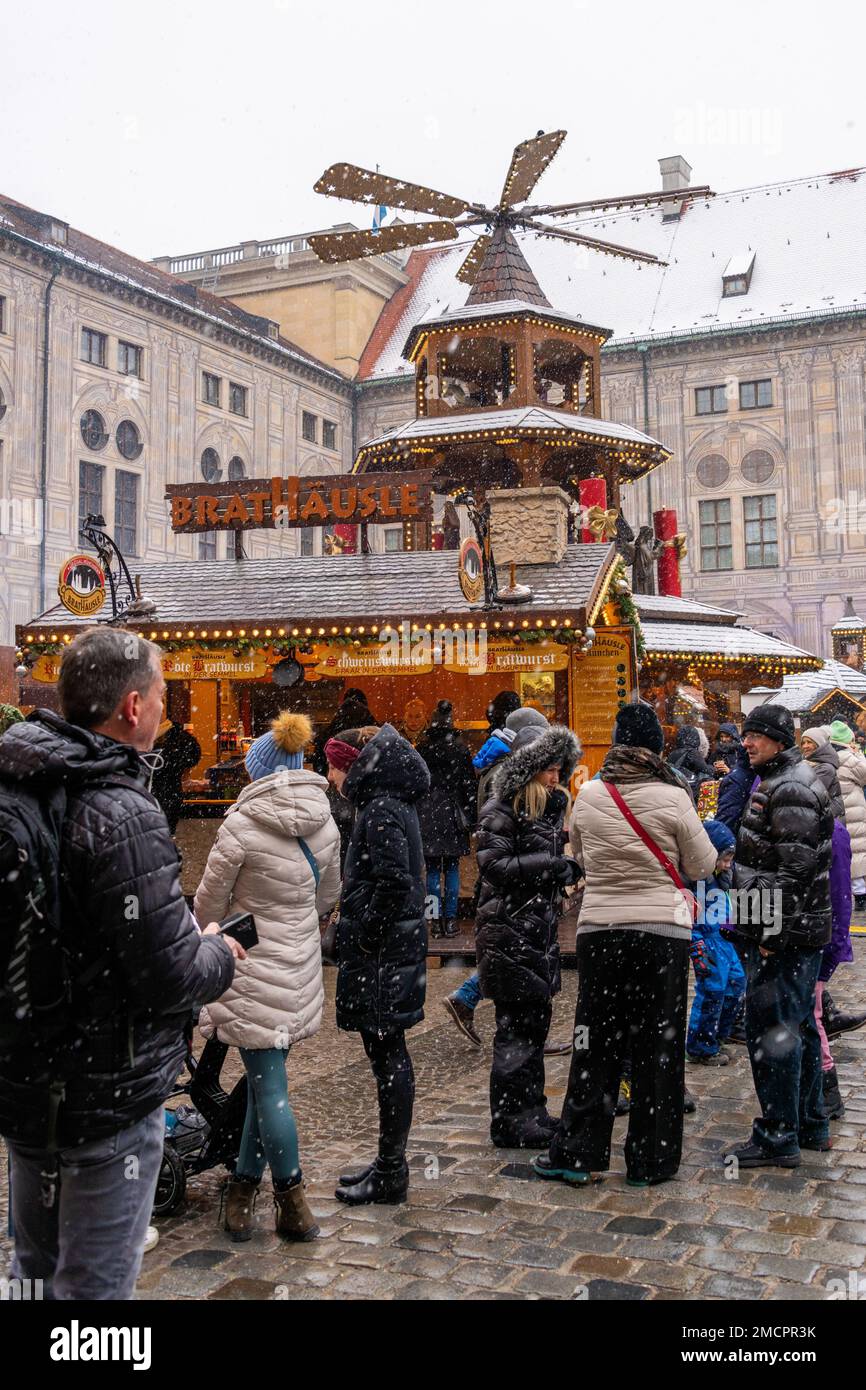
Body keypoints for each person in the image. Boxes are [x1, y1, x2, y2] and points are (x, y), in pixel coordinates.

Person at [0, 628, 240, 1300]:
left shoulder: (19, 786)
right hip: (104, 1096)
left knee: (35, 1274)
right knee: (96, 1293)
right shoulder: (121, 812)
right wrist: (216, 949)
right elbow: (170, 976)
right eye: (163, 695)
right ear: (132, 708)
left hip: (29, 1082)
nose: (167, 709)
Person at [534, 702, 718, 1187]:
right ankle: (650, 1161)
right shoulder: (675, 795)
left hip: (602, 932)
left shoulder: (590, 793)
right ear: (656, 746)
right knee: (658, 1045)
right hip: (662, 934)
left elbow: (580, 857)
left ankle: (577, 1154)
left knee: (594, 1043)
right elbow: (702, 865)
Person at [195, 711, 340, 1243]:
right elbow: (327, 897)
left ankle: (293, 1201)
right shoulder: (325, 820)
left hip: (250, 967)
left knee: (270, 1088)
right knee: (263, 1087)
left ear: (258, 771)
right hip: (298, 968)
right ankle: (241, 1188)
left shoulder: (240, 824)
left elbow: (208, 906)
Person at [724, 704, 833, 1169]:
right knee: (798, 1027)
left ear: (778, 739)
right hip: (792, 931)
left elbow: (794, 871)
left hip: (783, 935)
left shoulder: (788, 785)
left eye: (755, 736)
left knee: (774, 1033)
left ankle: (778, 1133)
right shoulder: (782, 779)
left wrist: (770, 931)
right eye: (746, 735)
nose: (746, 743)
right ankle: (808, 1123)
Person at [325, 724, 429, 1206]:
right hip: (389, 951)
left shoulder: (382, 805)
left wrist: (365, 930)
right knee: (386, 1055)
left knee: (389, 1056)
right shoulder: (386, 800)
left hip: (385, 955)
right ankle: (389, 1163)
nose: (328, 776)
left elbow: (394, 880)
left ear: (352, 764)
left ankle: (392, 1170)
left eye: (332, 765)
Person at [475, 722, 580, 1148]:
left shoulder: (546, 809)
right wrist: (551, 867)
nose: (556, 778)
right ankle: (510, 1120)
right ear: (527, 769)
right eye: (548, 769)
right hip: (509, 933)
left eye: (560, 769)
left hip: (534, 932)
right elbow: (494, 867)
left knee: (534, 1029)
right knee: (516, 1033)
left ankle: (532, 1111)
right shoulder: (500, 809)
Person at [685, 819, 746, 1065]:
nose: (727, 863)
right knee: (712, 991)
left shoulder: (723, 876)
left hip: (725, 939)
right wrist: (696, 942)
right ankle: (701, 1045)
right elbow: (689, 914)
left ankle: (717, 1037)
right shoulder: (696, 877)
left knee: (736, 985)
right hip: (708, 939)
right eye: (724, 858)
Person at [415, 700, 477, 938]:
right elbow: (469, 786)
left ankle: (433, 921)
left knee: (431, 870)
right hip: (453, 814)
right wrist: (471, 816)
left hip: (428, 813)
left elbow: (417, 783)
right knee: (451, 869)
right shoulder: (460, 750)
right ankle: (450, 920)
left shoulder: (422, 748)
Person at [827, 720, 866, 911]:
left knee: (846, 852)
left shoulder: (826, 757)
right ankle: (860, 894)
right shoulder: (850, 759)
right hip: (854, 808)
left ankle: (851, 892)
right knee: (858, 850)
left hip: (837, 809)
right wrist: (857, 753)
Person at [150, 718, 202, 834]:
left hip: (165, 800)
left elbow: (193, 755)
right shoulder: (141, 734)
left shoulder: (176, 737)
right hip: (165, 799)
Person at [312, 686, 376, 774]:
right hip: (367, 782)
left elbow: (319, 761)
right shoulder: (371, 728)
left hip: (335, 783)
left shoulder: (335, 725)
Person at [667, 725, 716, 797]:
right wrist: (714, 768)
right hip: (689, 788)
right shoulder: (692, 752)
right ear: (695, 738)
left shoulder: (673, 753)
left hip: (677, 787)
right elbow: (705, 770)